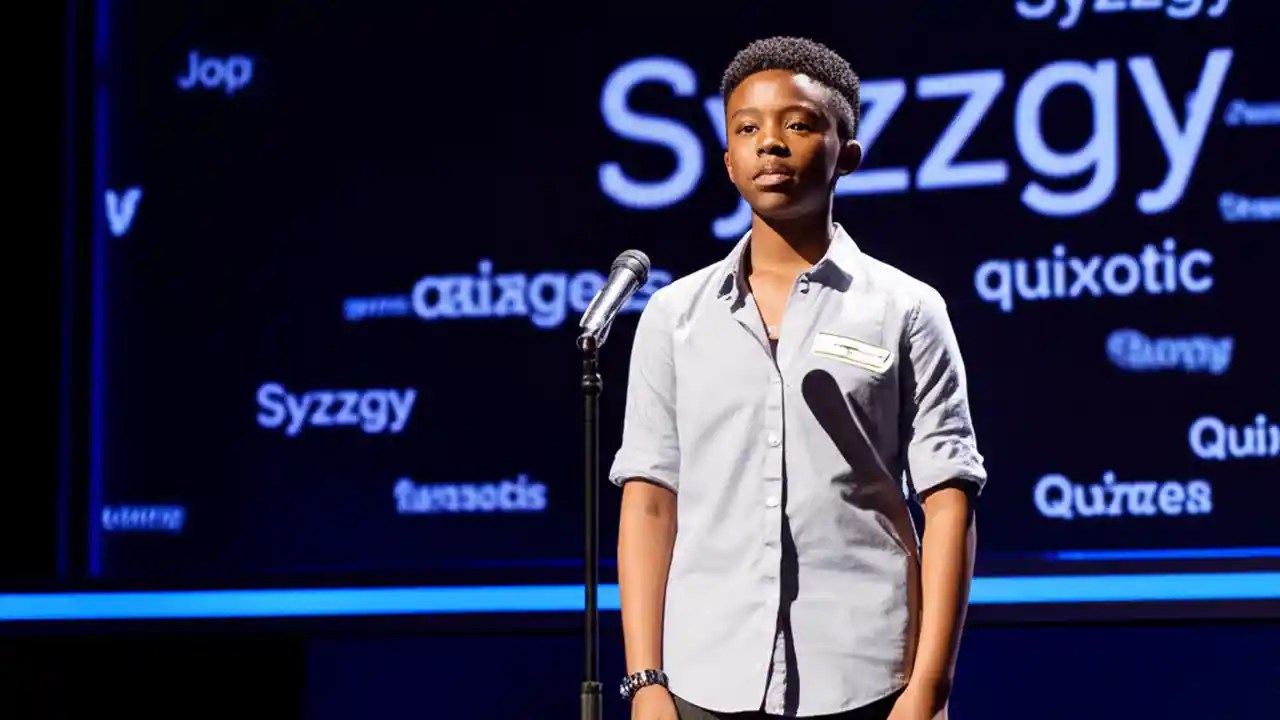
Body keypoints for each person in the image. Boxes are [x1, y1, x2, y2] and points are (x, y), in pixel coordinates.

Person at [609, 36, 987, 720]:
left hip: (866, 674)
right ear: (727, 161)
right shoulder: (674, 315)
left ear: (848, 154)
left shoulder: (906, 307)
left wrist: (929, 689)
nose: (771, 144)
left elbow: (948, 503)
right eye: (747, 129)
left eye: (799, 124)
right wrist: (646, 681)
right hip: (704, 677)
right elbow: (649, 501)